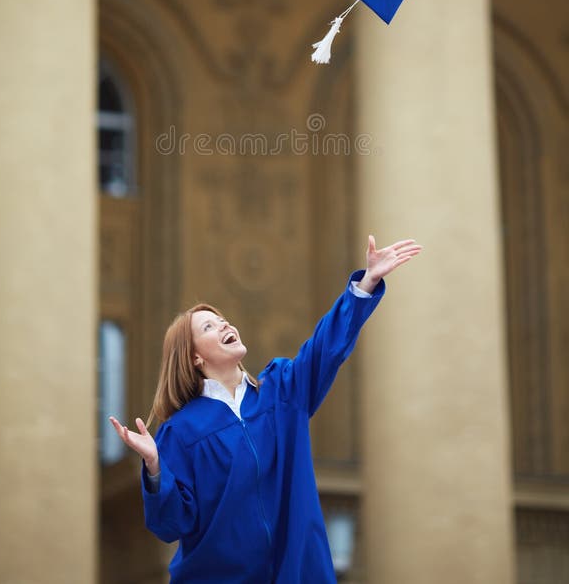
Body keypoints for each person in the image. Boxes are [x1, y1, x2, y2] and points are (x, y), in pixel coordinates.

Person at [110, 234, 422, 583]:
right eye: (209, 326)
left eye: (222, 319)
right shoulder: (182, 432)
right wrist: (154, 468)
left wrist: (365, 284)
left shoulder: (281, 392)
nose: (225, 324)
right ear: (194, 357)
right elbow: (171, 525)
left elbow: (325, 348)